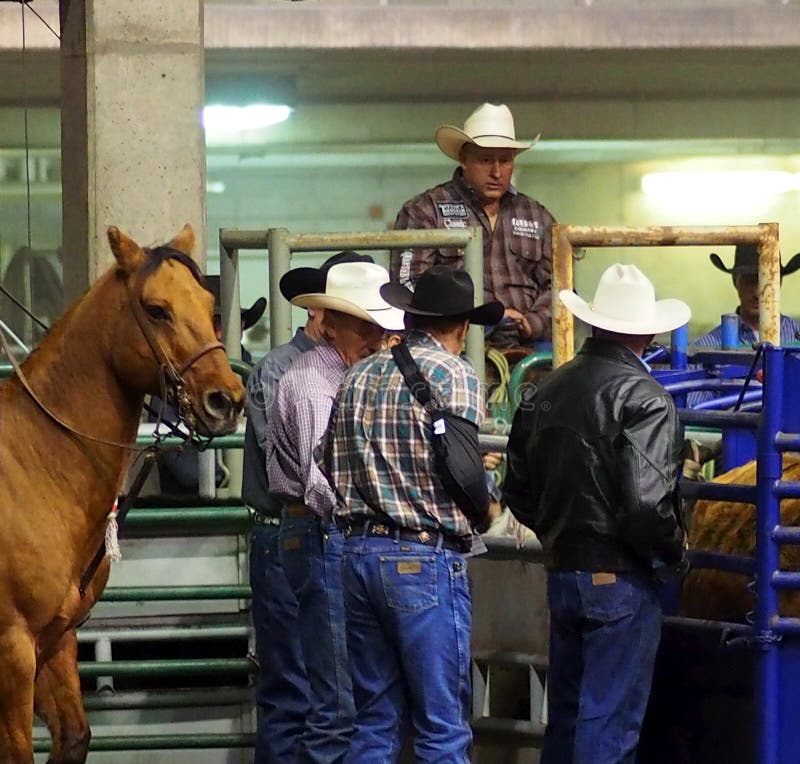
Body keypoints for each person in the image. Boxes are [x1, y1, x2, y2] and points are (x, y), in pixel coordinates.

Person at [503, 263, 690, 764]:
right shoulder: (646, 399)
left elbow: (515, 488)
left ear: (592, 323)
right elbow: (646, 503)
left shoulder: (543, 391)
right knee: (607, 725)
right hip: (622, 577)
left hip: (564, 571)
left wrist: (559, 533)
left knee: (567, 717)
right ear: (648, 332)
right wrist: (673, 555)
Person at [319, 266, 503, 763]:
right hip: (421, 559)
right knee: (442, 727)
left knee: (374, 723)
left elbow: (326, 460)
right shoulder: (454, 373)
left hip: (355, 552)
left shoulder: (358, 373)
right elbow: (463, 471)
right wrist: (486, 511)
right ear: (462, 327)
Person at [265, 261, 404, 764]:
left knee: (341, 699)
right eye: (366, 327)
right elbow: (321, 483)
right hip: (324, 532)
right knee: (339, 704)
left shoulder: (335, 377)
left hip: (325, 535)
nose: (376, 338)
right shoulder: (312, 386)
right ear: (330, 323)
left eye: (380, 328)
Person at [243, 251, 373, 763]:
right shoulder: (292, 372)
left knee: (313, 690)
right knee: (301, 692)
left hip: (300, 532)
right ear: (322, 314)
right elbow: (306, 464)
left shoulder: (316, 369)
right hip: (301, 528)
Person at [390, 102, 556, 347]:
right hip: (452, 347)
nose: (497, 172)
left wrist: (532, 322)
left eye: (505, 160)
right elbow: (409, 285)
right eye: (486, 160)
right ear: (464, 159)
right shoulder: (425, 212)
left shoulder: (537, 216)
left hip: (528, 349)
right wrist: (477, 321)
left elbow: (561, 286)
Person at [151, 274, 266, 498]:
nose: (220, 333)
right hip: (192, 516)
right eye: (213, 324)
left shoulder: (258, 377)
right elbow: (186, 470)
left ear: (243, 326)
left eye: (231, 323)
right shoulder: (176, 382)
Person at [693, 243, 800, 350]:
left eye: (766, 283)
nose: (758, 293)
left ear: (779, 283)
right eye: (750, 281)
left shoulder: (796, 335)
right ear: (735, 281)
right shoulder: (706, 347)